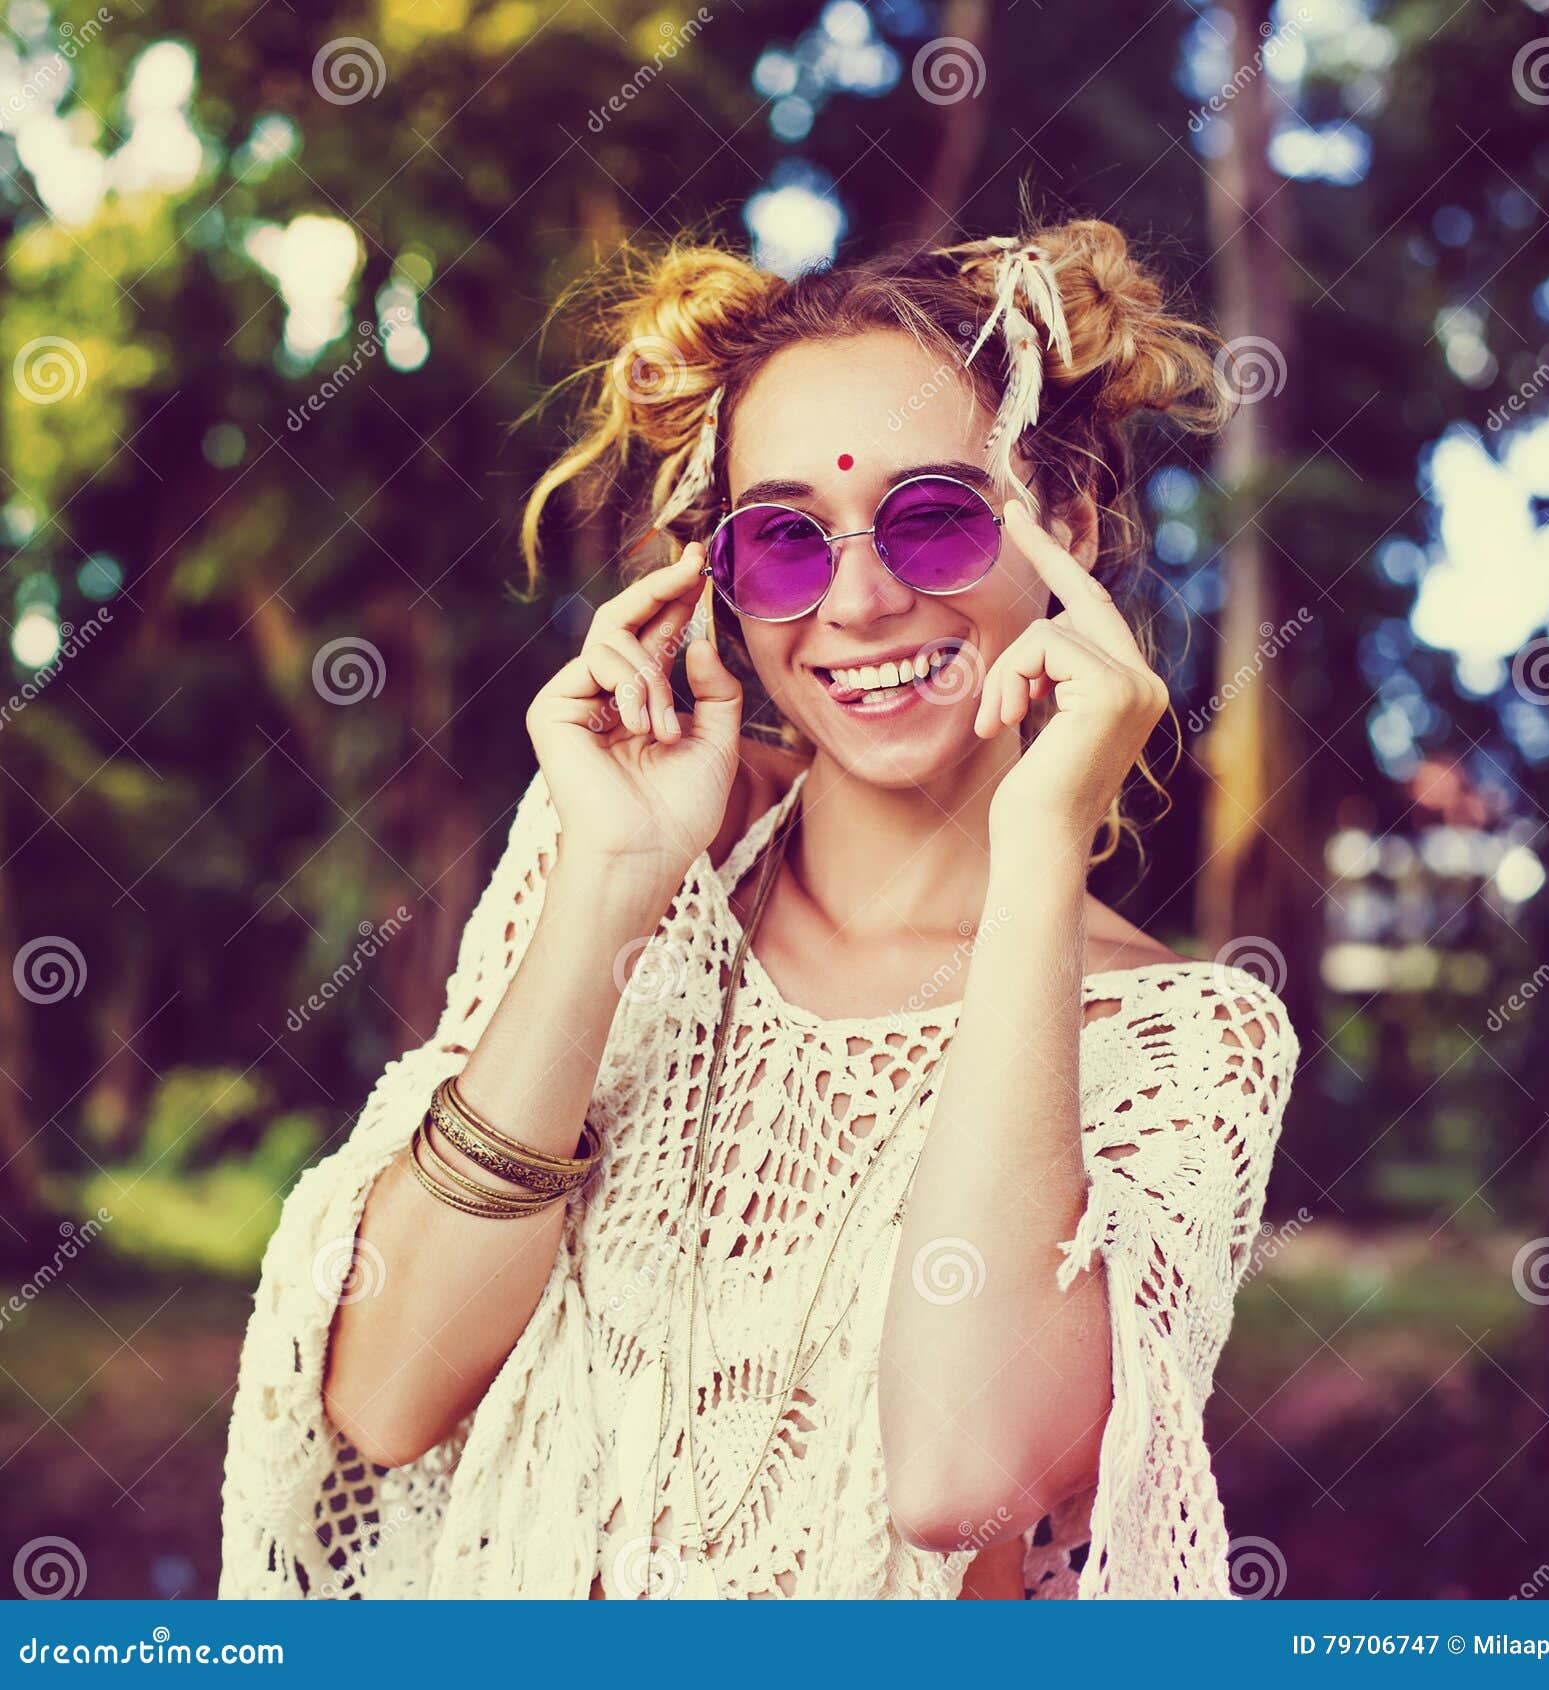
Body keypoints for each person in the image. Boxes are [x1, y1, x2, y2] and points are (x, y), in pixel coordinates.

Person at [219, 218, 1300, 1600]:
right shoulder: (625, 890)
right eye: (785, 540)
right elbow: (383, 1391)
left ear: (1069, 529)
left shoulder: (1188, 1040)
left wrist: (1043, 844)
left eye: (935, 517)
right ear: (714, 579)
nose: (858, 600)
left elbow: (964, 1470)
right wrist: (612, 880)